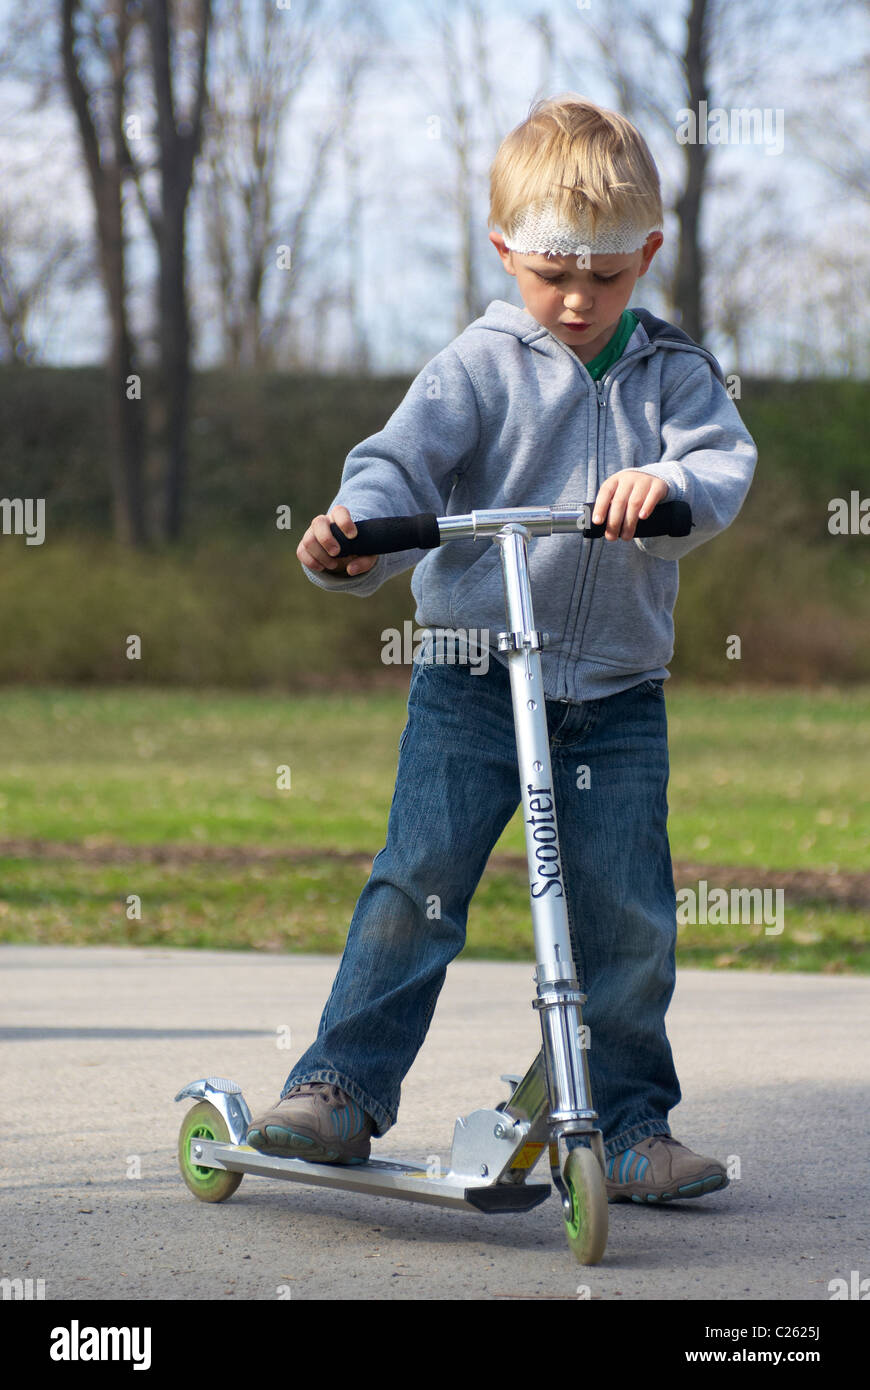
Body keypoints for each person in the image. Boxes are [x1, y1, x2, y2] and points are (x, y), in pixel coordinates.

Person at [245, 95, 757, 1204]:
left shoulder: (675, 370)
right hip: (473, 679)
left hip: (615, 694)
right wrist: (352, 536)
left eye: (607, 276)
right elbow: (398, 469)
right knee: (418, 882)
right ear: (504, 252)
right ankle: (338, 1086)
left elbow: (720, 467)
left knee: (628, 914)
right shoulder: (473, 365)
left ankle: (627, 1126)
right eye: (551, 273)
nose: (577, 299)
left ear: (648, 256)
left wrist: (664, 485)